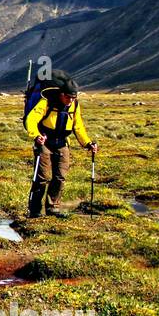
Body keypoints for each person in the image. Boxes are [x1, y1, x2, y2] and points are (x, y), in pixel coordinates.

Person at [25, 76, 97, 217]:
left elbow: (78, 126)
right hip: (45, 142)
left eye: (73, 98)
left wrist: (88, 143)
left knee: (60, 177)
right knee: (42, 177)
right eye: (68, 97)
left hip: (63, 143)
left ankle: (53, 207)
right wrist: (36, 135)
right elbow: (31, 119)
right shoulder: (47, 101)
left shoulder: (74, 105)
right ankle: (34, 209)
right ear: (62, 94)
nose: (70, 101)